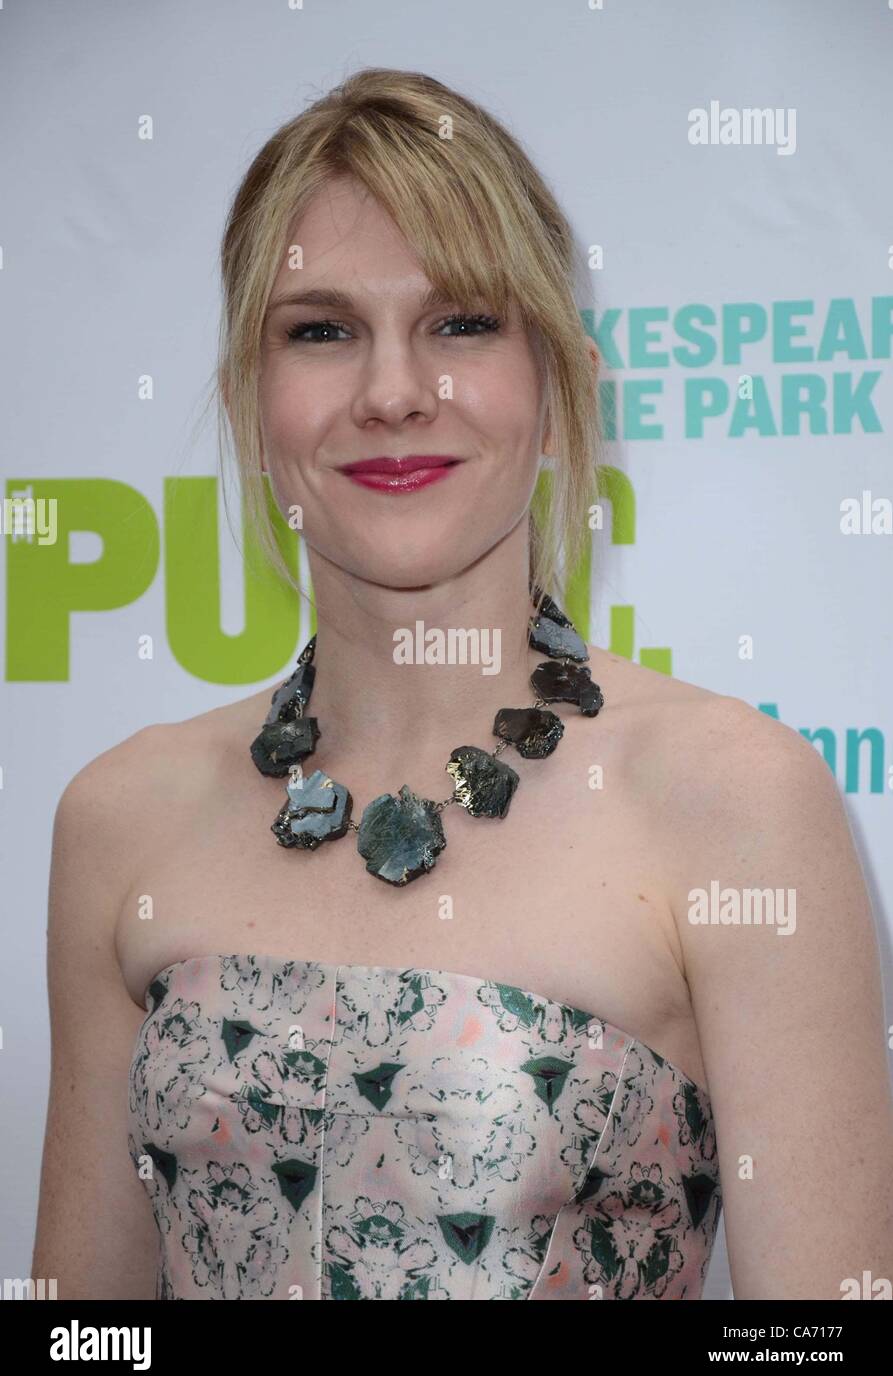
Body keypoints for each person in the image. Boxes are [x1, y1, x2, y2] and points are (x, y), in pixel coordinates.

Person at [31, 67, 892, 1301]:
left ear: (557, 392)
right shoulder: (119, 817)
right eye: (320, 329)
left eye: (463, 322)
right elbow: (80, 1336)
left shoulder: (736, 802)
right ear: (245, 401)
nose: (391, 391)